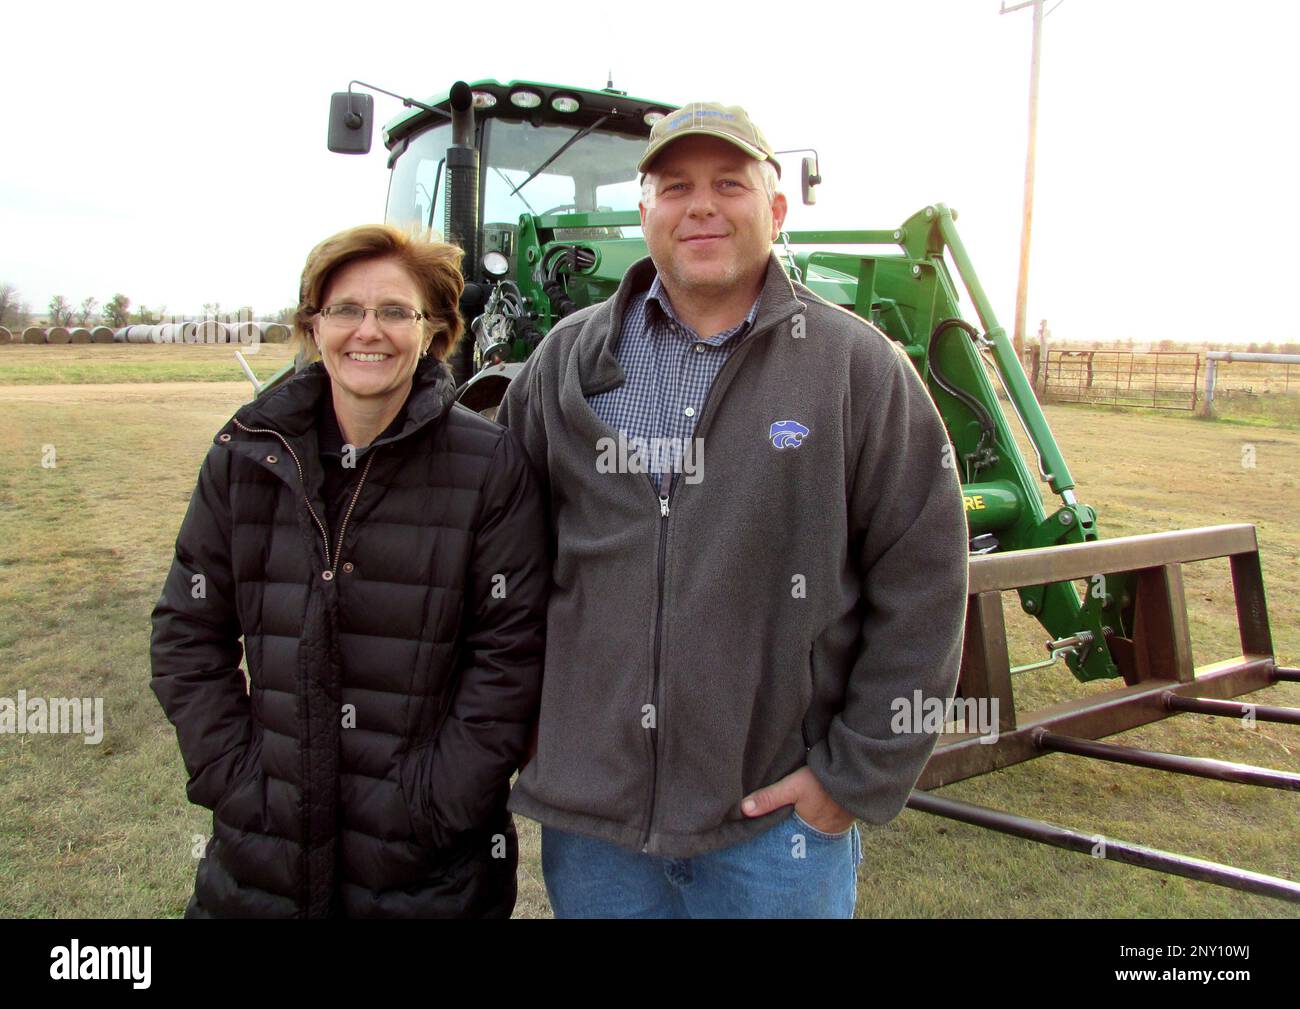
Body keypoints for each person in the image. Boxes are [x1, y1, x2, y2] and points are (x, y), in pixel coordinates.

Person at [496, 102, 969, 918]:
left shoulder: (858, 370)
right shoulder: (564, 362)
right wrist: (525, 727)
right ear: (643, 211)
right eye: (674, 186)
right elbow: (502, 561)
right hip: (599, 835)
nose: (701, 205)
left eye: (729, 184)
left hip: (776, 835)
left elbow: (924, 580)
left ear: (776, 210)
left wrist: (850, 776)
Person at [150, 224, 547, 918]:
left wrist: (435, 800)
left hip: (427, 875)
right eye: (345, 310)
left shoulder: (490, 468)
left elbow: (511, 657)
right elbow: (187, 630)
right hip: (260, 860)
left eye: (396, 310)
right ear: (314, 325)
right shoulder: (245, 456)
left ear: (435, 331)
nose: (370, 331)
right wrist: (237, 777)